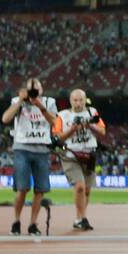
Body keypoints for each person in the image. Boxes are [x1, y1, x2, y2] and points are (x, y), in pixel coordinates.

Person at [1, 77, 59, 236]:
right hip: (22, 148)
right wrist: (20, 100)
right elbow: (5, 118)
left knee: (40, 190)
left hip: (42, 149)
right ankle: (16, 221)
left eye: (37, 88)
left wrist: (41, 107)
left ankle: (33, 223)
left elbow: (56, 123)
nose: (34, 91)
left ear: (42, 90)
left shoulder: (49, 102)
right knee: (22, 188)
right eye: (30, 89)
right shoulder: (17, 101)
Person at [54, 89, 106, 231]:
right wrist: (72, 129)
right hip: (70, 155)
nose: (78, 103)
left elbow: (103, 131)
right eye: (75, 100)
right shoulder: (62, 115)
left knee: (87, 190)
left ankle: (80, 218)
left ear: (85, 100)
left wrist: (90, 125)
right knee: (80, 187)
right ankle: (81, 218)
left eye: (81, 100)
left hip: (89, 155)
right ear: (70, 101)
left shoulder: (92, 112)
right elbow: (58, 137)